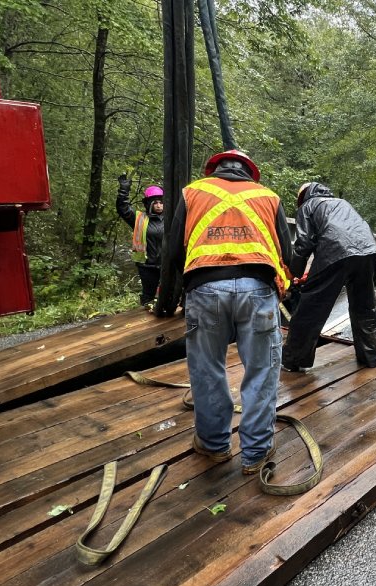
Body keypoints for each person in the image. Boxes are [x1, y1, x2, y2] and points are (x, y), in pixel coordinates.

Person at [164, 149, 294, 475]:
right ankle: (255, 454)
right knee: (262, 371)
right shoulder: (269, 197)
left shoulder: (192, 192)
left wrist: (167, 301)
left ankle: (213, 445)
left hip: (204, 290)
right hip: (259, 290)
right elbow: (288, 253)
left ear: (214, 170)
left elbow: (172, 250)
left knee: (206, 369)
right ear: (251, 172)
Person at [283, 182, 376, 372]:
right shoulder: (342, 203)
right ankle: (370, 358)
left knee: (309, 311)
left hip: (336, 253)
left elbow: (303, 244)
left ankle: (293, 360)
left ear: (303, 196)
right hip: (369, 253)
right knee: (364, 309)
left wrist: (293, 275)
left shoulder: (308, 206)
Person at [117, 176, 165, 307]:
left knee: (169, 296)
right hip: (147, 266)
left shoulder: (171, 218)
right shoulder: (139, 218)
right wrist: (124, 191)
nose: (159, 205)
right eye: (155, 203)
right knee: (148, 297)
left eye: (161, 202)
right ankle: (147, 323)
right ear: (149, 204)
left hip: (167, 266)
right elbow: (123, 209)